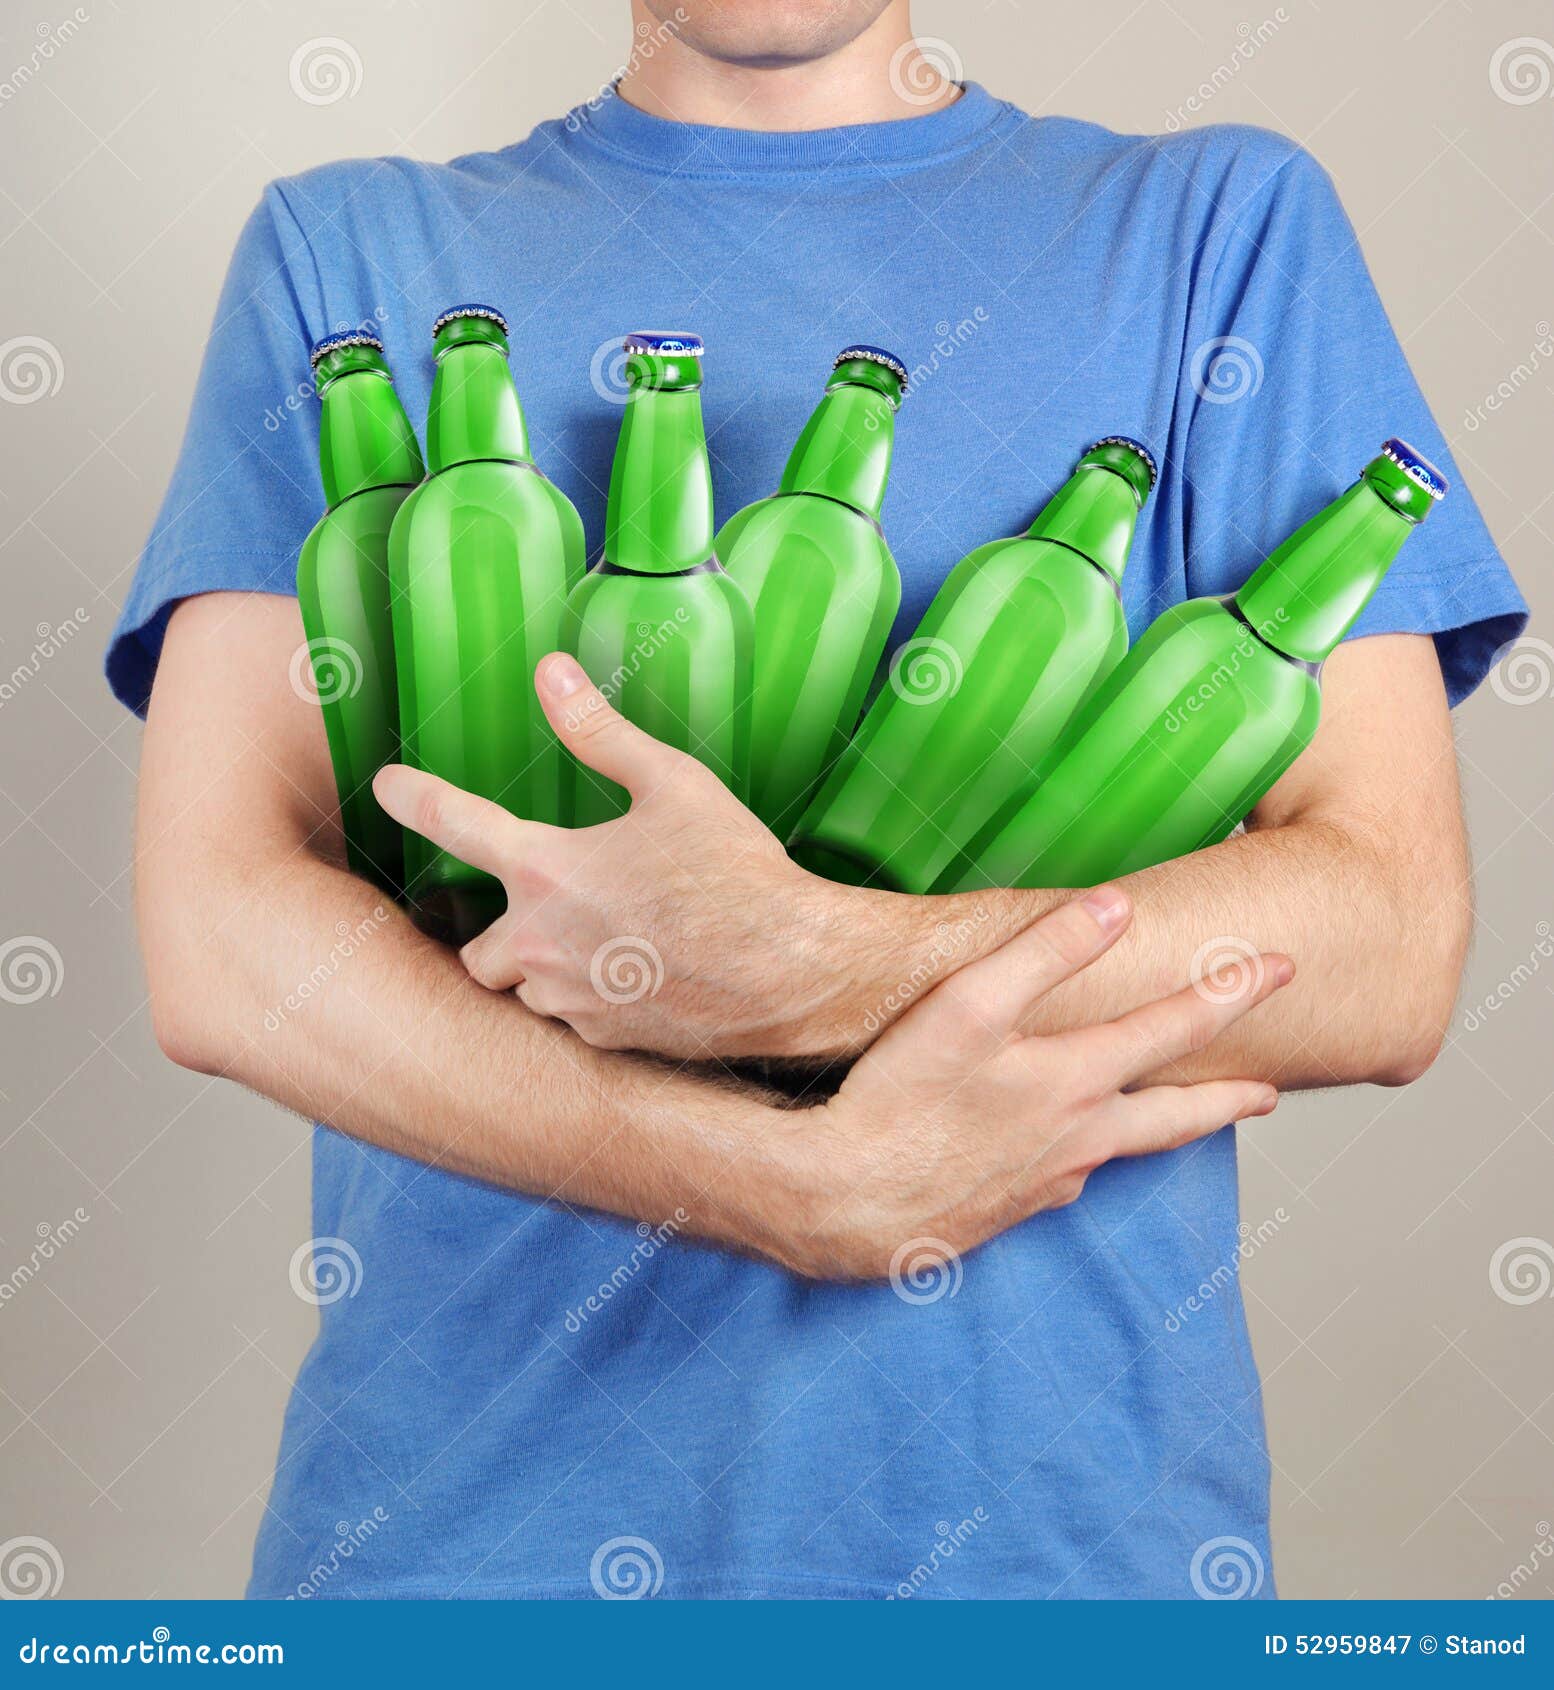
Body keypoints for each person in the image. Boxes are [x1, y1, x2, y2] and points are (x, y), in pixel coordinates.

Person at [109, 0, 1526, 1600]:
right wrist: (786, 1185)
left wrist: (807, 952)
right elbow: (224, 935)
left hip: (1053, 1573)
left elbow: (1384, 943)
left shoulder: (1217, 226)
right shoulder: (349, 246)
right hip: (463, 1562)